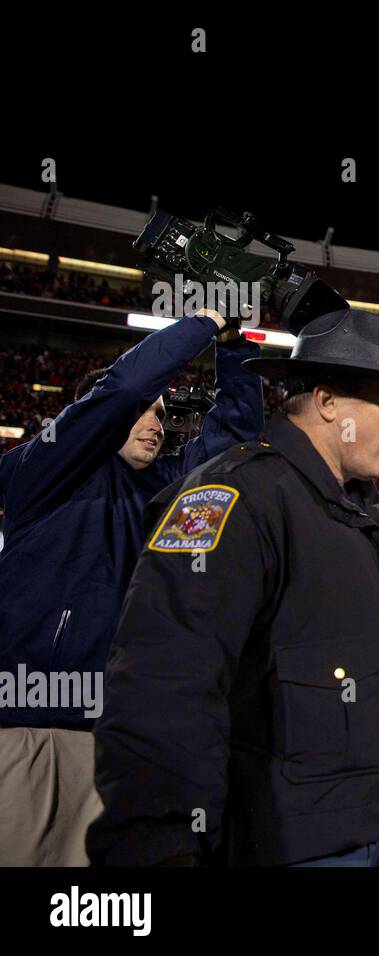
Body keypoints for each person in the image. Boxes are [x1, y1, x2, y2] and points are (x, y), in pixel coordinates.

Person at [86, 309, 379, 866]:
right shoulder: (234, 495)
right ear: (327, 403)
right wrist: (160, 846)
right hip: (280, 841)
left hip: (355, 826)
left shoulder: (363, 512)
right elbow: (164, 681)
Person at [0, 308, 263, 866]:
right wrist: (205, 321)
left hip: (119, 734)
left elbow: (235, 437)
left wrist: (235, 349)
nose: (156, 422)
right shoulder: (39, 470)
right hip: (29, 726)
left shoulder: (157, 489)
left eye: (163, 413)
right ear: (87, 420)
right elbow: (120, 392)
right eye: (146, 409)